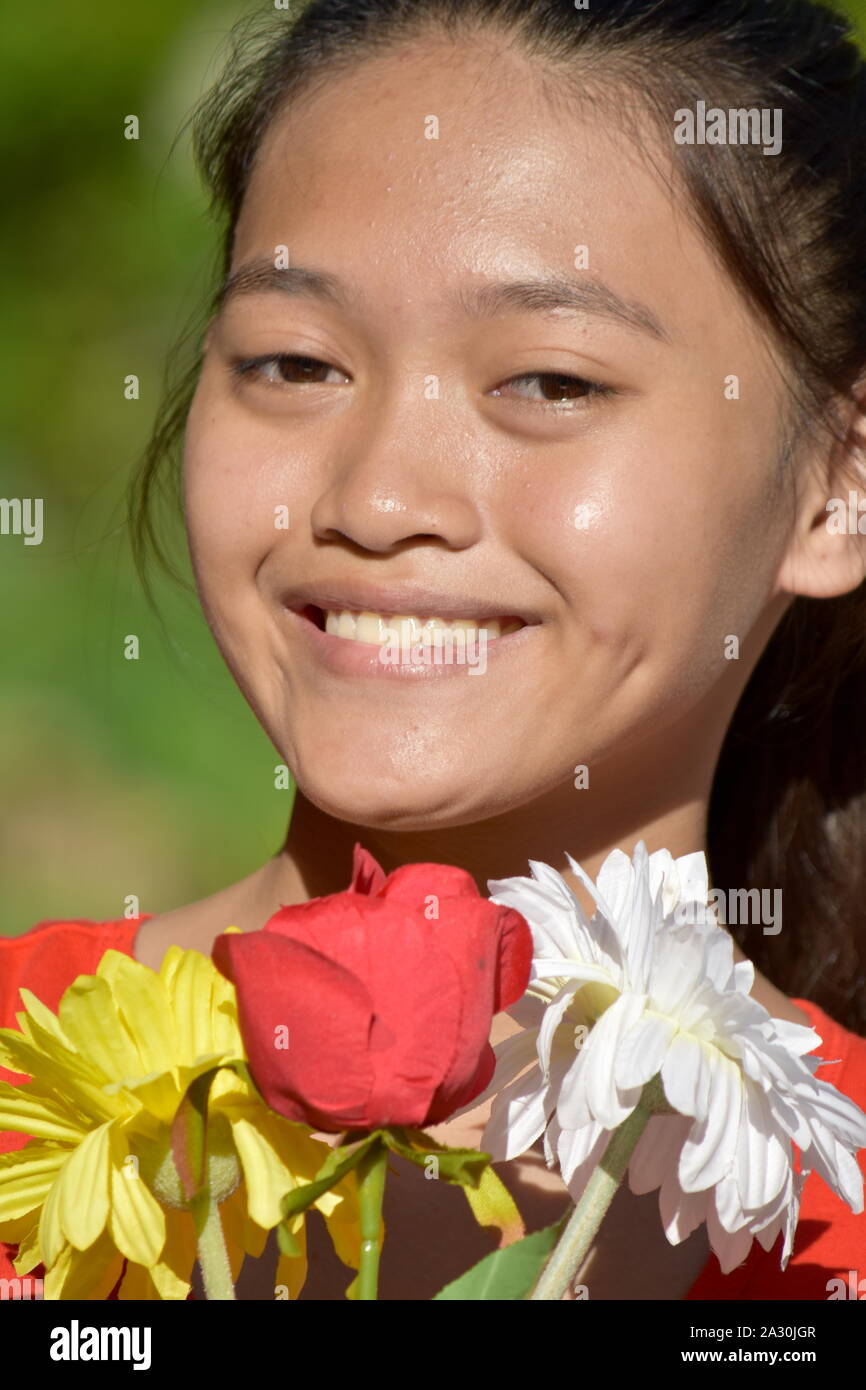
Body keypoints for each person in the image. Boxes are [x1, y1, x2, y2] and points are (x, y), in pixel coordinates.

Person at [3, 0, 866, 1300]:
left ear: (835, 485)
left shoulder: (833, 1222)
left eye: (548, 382)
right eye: (293, 363)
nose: (377, 496)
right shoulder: (33, 1091)